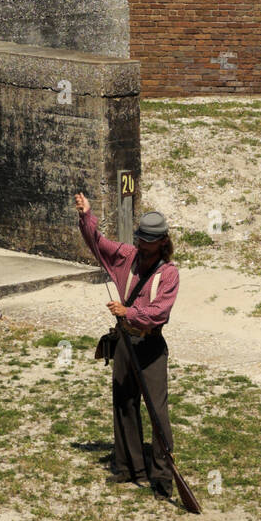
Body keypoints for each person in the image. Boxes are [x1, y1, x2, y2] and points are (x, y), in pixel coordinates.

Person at [75, 192, 179, 495]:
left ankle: (162, 476)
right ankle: (128, 467)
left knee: (157, 411)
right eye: (140, 239)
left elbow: (159, 312)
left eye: (148, 241)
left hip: (150, 346)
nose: (142, 245)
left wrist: (128, 311)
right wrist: (86, 216)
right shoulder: (126, 255)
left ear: (161, 242)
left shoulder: (169, 273)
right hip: (125, 343)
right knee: (124, 403)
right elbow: (97, 242)